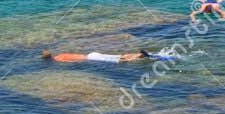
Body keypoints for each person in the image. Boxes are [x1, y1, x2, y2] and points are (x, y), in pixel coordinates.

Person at [43, 49, 178, 64]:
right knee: (119, 55)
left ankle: (141, 56)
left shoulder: (59, 59)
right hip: (91, 54)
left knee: (121, 60)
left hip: (91, 59)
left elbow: (74, 62)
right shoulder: (61, 54)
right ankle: (139, 54)